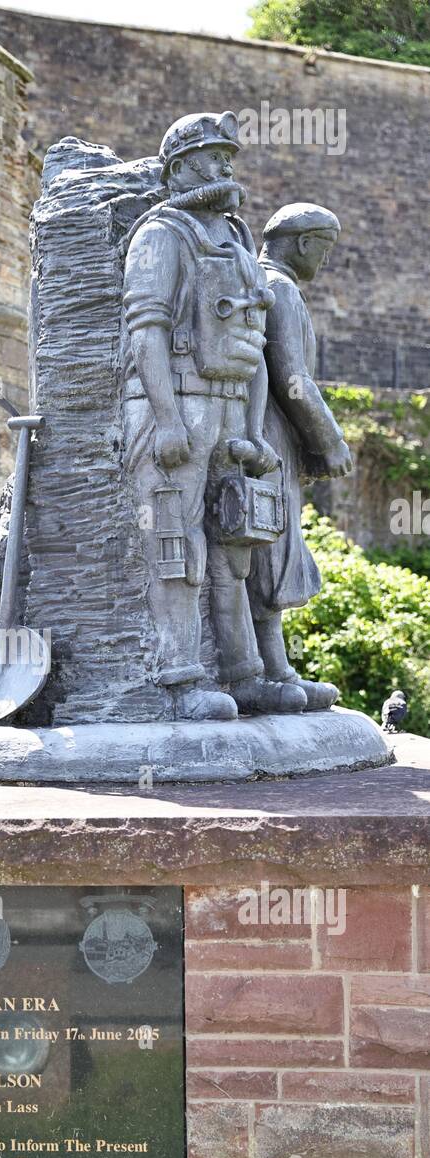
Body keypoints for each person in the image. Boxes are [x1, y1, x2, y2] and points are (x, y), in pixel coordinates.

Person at [123, 110, 306, 720]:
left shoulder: (236, 239)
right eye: (209, 156)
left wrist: (253, 430)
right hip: (175, 404)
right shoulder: (163, 235)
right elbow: (145, 330)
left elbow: (254, 345)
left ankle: (243, 674)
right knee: (175, 541)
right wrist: (167, 418)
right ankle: (179, 675)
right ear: (178, 170)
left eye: (227, 155)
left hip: (229, 410)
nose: (225, 166)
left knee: (235, 545)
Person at [249, 203, 353, 709]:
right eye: (325, 250)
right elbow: (293, 379)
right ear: (305, 243)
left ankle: (273, 669)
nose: (326, 263)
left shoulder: (257, 279)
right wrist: (330, 442)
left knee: (261, 545)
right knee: (271, 547)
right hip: (271, 434)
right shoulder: (282, 289)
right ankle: (273, 672)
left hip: (261, 432)